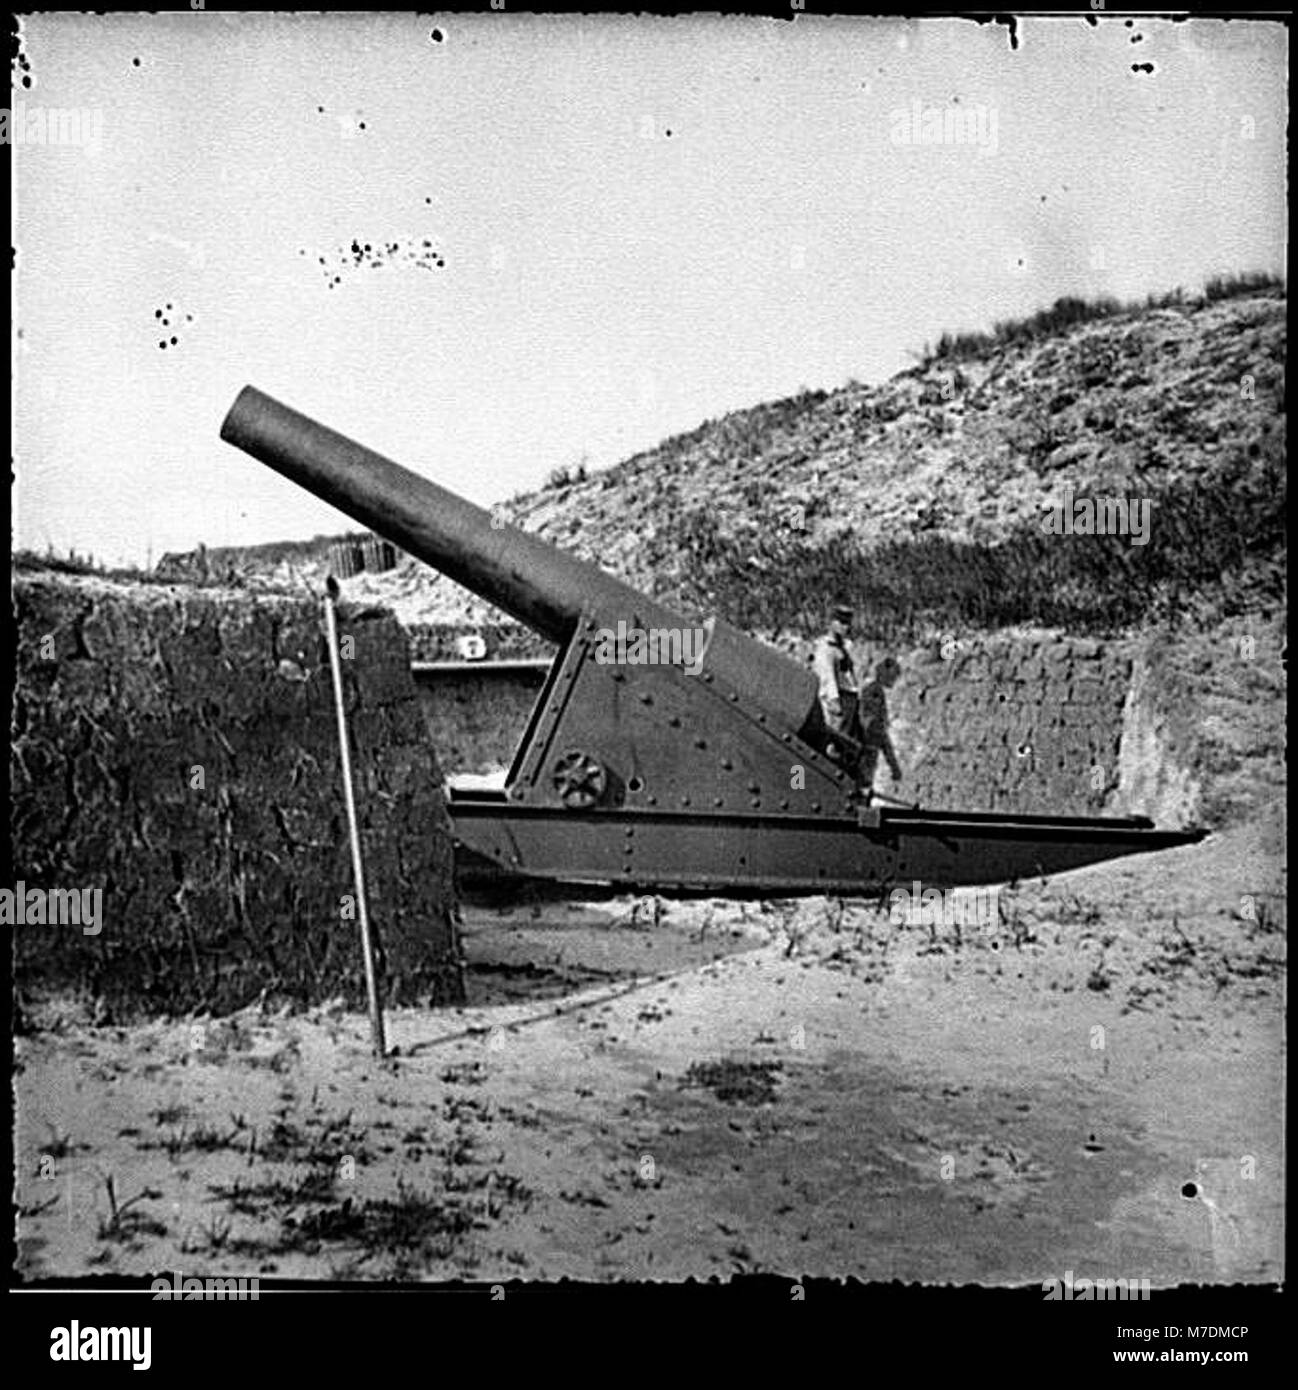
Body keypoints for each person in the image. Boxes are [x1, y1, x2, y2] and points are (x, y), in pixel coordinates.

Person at [813, 603, 862, 772]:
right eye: (842, 622)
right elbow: (827, 677)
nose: (846, 627)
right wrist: (834, 702)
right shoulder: (825, 649)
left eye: (848, 623)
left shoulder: (843, 647)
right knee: (835, 745)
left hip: (849, 699)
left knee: (848, 744)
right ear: (832, 623)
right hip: (838, 701)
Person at [857, 656, 904, 797]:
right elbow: (874, 727)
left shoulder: (873, 690)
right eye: (894, 676)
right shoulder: (874, 692)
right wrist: (893, 765)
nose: (895, 680)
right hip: (867, 749)